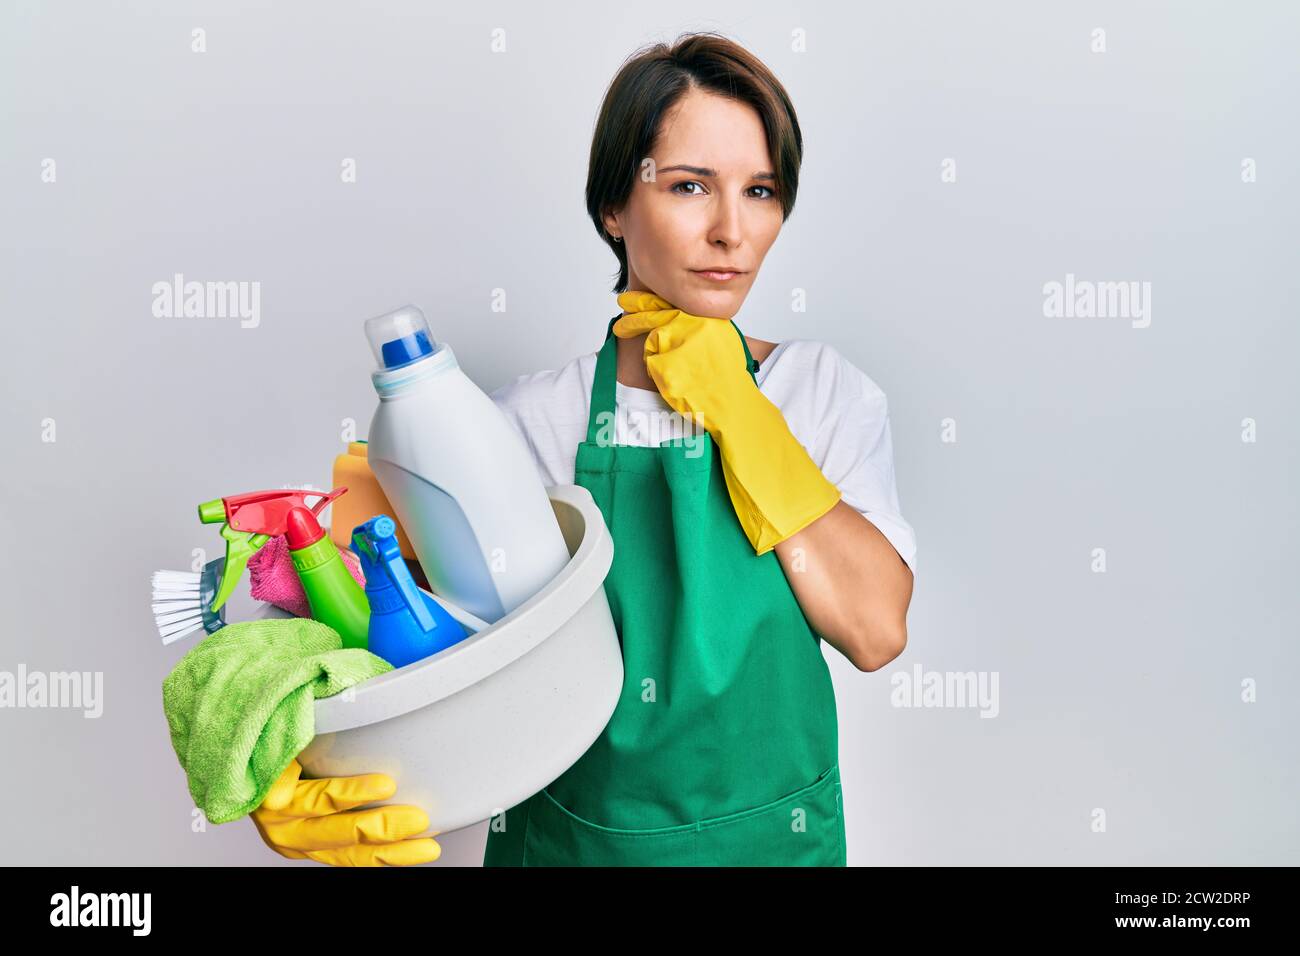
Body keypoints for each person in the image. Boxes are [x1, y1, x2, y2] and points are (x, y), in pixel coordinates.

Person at [251, 31, 915, 868]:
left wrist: (742, 414)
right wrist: (291, 757)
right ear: (613, 206)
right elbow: (395, 648)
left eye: (760, 190)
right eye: (688, 187)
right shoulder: (523, 424)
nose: (730, 231)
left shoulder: (820, 394)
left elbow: (874, 628)